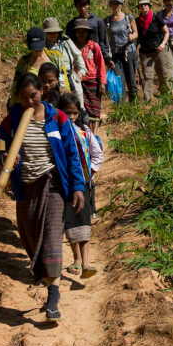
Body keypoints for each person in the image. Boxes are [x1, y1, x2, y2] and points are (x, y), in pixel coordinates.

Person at [0, 72, 87, 321]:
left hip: (53, 185)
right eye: (25, 98)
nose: (30, 102)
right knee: (30, 237)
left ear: (41, 93)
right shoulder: (11, 120)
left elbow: (71, 154)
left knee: (50, 239)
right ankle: (44, 277)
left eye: (34, 96)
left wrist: (78, 186)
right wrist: (4, 156)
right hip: (26, 188)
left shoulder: (57, 118)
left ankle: (53, 296)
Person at [57, 93, 96, 279]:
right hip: (67, 183)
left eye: (74, 113)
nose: (71, 117)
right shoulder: (59, 132)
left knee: (84, 221)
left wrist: (90, 172)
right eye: (67, 113)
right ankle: (77, 259)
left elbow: (97, 153)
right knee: (71, 222)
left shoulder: (85, 132)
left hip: (84, 183)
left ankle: (86, 262)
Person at [67, 17, 108, 123]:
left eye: (84, 31)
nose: (81, 34)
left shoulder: (94, 46)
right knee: (78, 108)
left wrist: (102, 83)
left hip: (92, 82)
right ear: (75, 32)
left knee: (94, 111)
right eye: (79, 31)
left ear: (88, 33)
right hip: (77, 81)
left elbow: (101, 65)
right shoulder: (71, 47)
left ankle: (94, 135)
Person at [103, 0, 139, 103]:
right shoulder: (107, 21)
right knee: (119, 80)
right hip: (115, 54)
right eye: (114, 3)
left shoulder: (129, 18)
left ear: (121, 5)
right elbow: (104, 37)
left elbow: (136, 32)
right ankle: (121, 106)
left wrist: (132, 36)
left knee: (131, 80)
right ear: (111, 5)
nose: (116, 6)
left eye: (118, 3)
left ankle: (134, 105)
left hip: (129, 52)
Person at [135, 0, 170, 100]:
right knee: (148, 76)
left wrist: (163, 44)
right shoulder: (137, 21)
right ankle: (148, 100)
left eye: (146, 5)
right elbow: (137, 38)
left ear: (149, 6)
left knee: (163, 74)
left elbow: (166, 32)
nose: (144, 7)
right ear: (139, 8)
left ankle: (166, 98)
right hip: (145, 53)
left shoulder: (156, 17)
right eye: (142, 5)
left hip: (159, 51)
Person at [43, 17, 85, 102]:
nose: (53, 35)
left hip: (71, 77)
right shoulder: (43, 47)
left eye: (55, 32)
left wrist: (81, 71)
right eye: (49, 33)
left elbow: (77, 55)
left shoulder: (65, 42)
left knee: (78, 104)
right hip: (54, 81)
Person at [10, 27, 52, 104]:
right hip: (30, 102)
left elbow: (63, 83)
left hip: (51, 101)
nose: (37, 50)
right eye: (34, 47)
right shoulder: (24, 61)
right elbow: (16, 86)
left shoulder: (55, 58)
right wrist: (12, 106)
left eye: (39, 46)